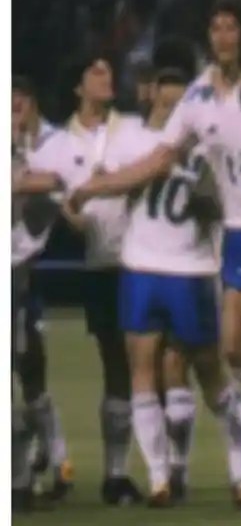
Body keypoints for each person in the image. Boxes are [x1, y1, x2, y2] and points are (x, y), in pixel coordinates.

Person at [69, 0, 241, 506]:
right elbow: (157, 160)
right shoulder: (196, 99)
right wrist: (97, 187)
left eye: (230, 27)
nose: (222, 36)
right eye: (215, 27)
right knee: (234, 347)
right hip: (239, 236)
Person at [105, 38, 241, 508]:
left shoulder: (206, 141)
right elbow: (117, 185)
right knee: (143, 371)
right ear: (150, 93)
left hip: (191, 268)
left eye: (177, 95)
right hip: (141, 265)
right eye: (163, 93)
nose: (171, 103)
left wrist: (203, 194)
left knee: (209, 372)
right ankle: (159, 479)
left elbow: (224, 204)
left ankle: (238, 471)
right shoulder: (128, 138)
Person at [17, 54, 144, 506]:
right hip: (100, 263)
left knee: (156, 364)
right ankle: (114, 474)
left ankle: (171, 470)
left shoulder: (132, 129)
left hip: (147, 259)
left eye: (109, 72)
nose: (106, 78)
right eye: (95, 72)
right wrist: (72, 213)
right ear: (77, 87)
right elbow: (48, 202)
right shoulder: (54, 146)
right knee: (117, 363)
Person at [10, 78, 74, 501]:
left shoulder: (52, 144)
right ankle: (26, 476)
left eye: (19, 105)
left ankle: (48, 464)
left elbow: (56, 182)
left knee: (31, 377)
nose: (13, 113)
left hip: (19, 281)